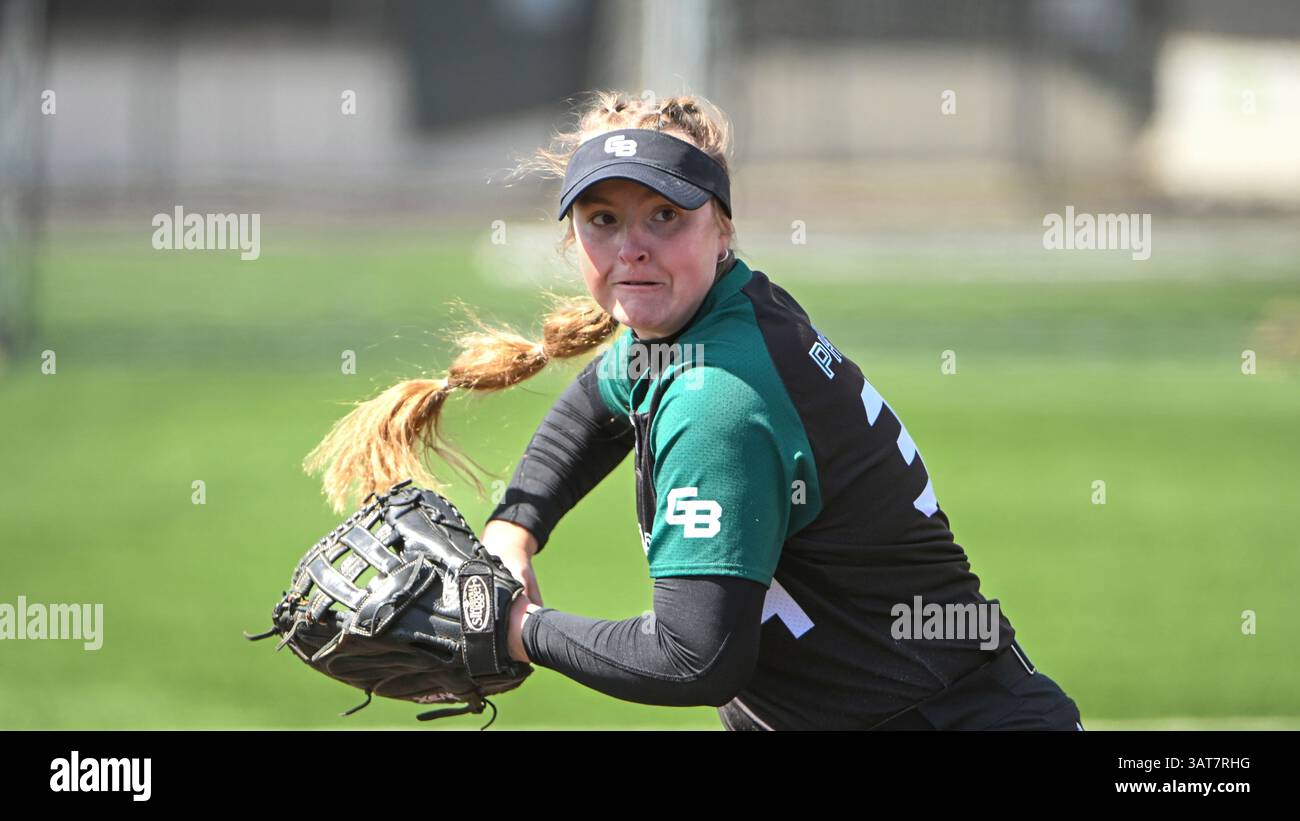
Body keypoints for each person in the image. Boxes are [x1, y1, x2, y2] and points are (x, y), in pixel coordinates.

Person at [306, 91, 1084, 730]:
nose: (631, 247)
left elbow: (694, 658)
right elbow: (593, 403)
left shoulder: (719, 401)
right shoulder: (709, 322)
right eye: (602, 220)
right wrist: (516, 525)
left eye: (664, 216)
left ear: (723, 226)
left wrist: (516, 628)